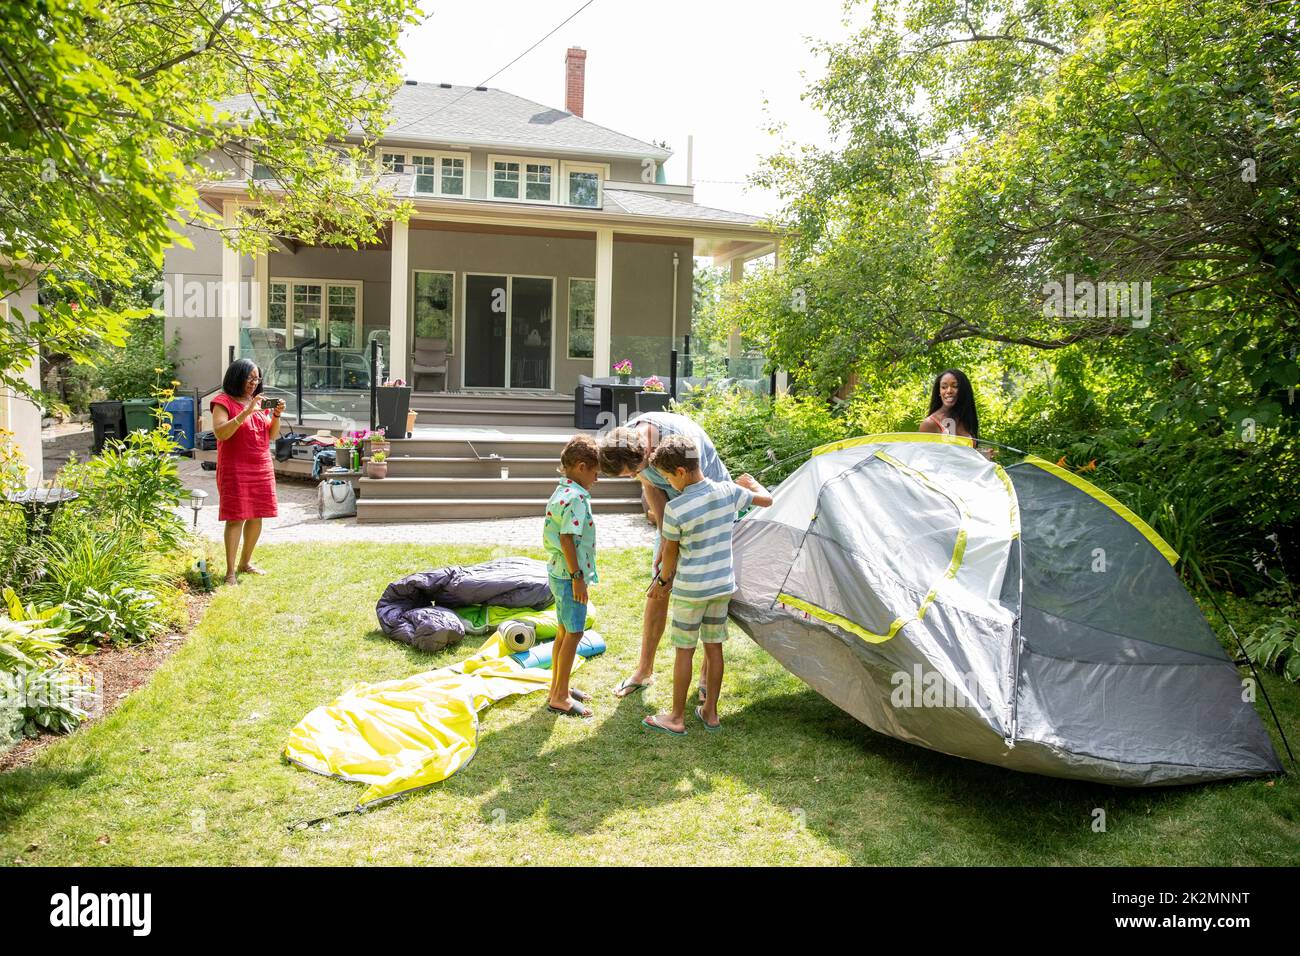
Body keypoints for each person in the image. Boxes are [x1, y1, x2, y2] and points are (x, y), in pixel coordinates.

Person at [641, 436, 772, 735]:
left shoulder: (677, 509)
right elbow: (767, 500)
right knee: (714, 649)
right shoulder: (728, 491)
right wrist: (752, 483)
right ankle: (711, 712)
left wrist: (662, 583)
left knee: (684, 651)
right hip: (722, 586)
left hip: (691, 591)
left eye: (666, 478)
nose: (668, 484)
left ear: (681, 472)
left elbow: (670, 555)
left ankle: (676, 717)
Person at [597, 411, 732, 699]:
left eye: (633, 471)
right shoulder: (630, 443)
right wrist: (664, 539)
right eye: (628, 475)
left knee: (704, 588)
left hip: (707, 503)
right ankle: (644, 670)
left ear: (646, 452)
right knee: (658, 587)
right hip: (675, 505)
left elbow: (699, 494)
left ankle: (707, 675)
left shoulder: (682, 444)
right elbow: (652, 487)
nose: (634, 476)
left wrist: (678, 547)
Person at [209, 359, 284, 585]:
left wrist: (277, 416)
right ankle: (230, 571)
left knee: (257, 515)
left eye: (257, 378)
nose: (254, 382)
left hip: (260, 465)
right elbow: (221, 433)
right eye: (250, 378)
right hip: (235, 467)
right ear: (236, 377)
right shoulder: (222, 402)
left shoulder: (256, 401)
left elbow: (270, 435)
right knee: (235, 518)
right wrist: (246, 412)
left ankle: (246, 563)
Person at [542, 434, 601, 718]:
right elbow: (567, 538)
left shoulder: (561, 490)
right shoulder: (577, 498)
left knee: (564, 631)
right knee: (575, 632)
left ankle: (558, 686)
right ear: (580, 466)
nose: (597, 479)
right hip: (568, 576)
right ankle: (560, 697)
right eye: (595, 472)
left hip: (557, 572)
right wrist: (578, 576)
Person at [919, 368, 995, 458]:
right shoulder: (930, 424)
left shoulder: (965, 418)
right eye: (944, 387)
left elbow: (963, 455)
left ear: (963, 391)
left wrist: (981, 455)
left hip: (969, 471)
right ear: (939, 392)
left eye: (955, 386)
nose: (949, 391)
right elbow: (925, 461)